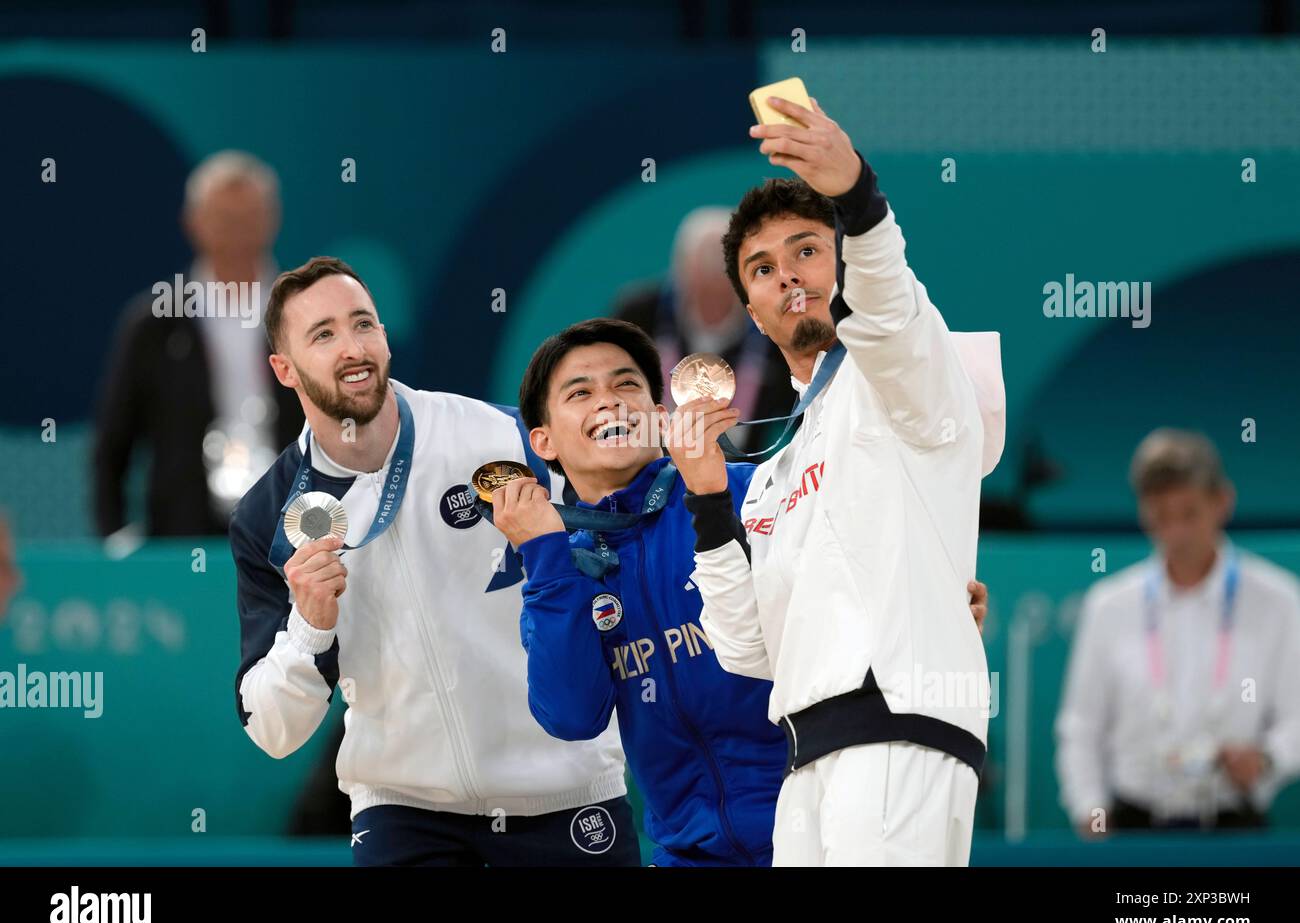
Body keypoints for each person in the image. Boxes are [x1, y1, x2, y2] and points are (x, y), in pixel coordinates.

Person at [490, 317, 991, 866]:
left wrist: (921, 605)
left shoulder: (747, 494)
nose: (609, 403)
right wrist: (544, 555)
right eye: (580, 393)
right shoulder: (561, 564)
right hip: (687, 852)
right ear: (543, 440)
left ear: (661, 416)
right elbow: (572, 716)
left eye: (627, 384)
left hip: (817, 826)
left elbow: (850, 576)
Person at [667, 95, 1003, 866]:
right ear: (748, 309)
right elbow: (748, 649)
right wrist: (710, 501)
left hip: (898, 728)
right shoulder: (778, 461)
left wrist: (857, 194)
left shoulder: (904, 377)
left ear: (843, 261)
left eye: (807, 251)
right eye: (762, 267)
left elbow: (889, 314)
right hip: (810, 755)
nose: (787, 276)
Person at [231, 257, 635, 866]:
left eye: (363, 323)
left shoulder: (502, 439)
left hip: (565, 793)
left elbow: (618, 545)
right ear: (283, 370)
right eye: (323, 335)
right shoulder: (267, 517)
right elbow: (271, 731)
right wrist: (309, 627)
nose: (352, 348)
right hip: (403, 814)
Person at [1056, 429, 1300, 834]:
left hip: (1235, 828)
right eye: (1160, 517)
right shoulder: (1109, 605)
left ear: (1222, 502)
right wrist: (1091, 812)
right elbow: (1081, 726)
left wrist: (1267, 758)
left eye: (1189, 514)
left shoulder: (1278, 600)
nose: (1176, 533)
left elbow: (1297, 717)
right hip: (1133, 828)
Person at [93, 150, 302, 539]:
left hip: (295, 532)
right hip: (182, 536)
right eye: (225, 218)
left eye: (249, 217)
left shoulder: (306, 312)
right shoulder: (153, 322)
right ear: (194, 222)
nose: (237, 230)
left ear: (273, 220)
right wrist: (114, 541)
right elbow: (112, 446)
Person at [611, 207, 793, 455]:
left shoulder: (774, 326)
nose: (713, 278)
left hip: (744, 476)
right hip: (648, 468)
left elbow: (805, 411)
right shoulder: (639, 315)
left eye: (722, 267)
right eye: (703, 264)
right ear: (681, 269)